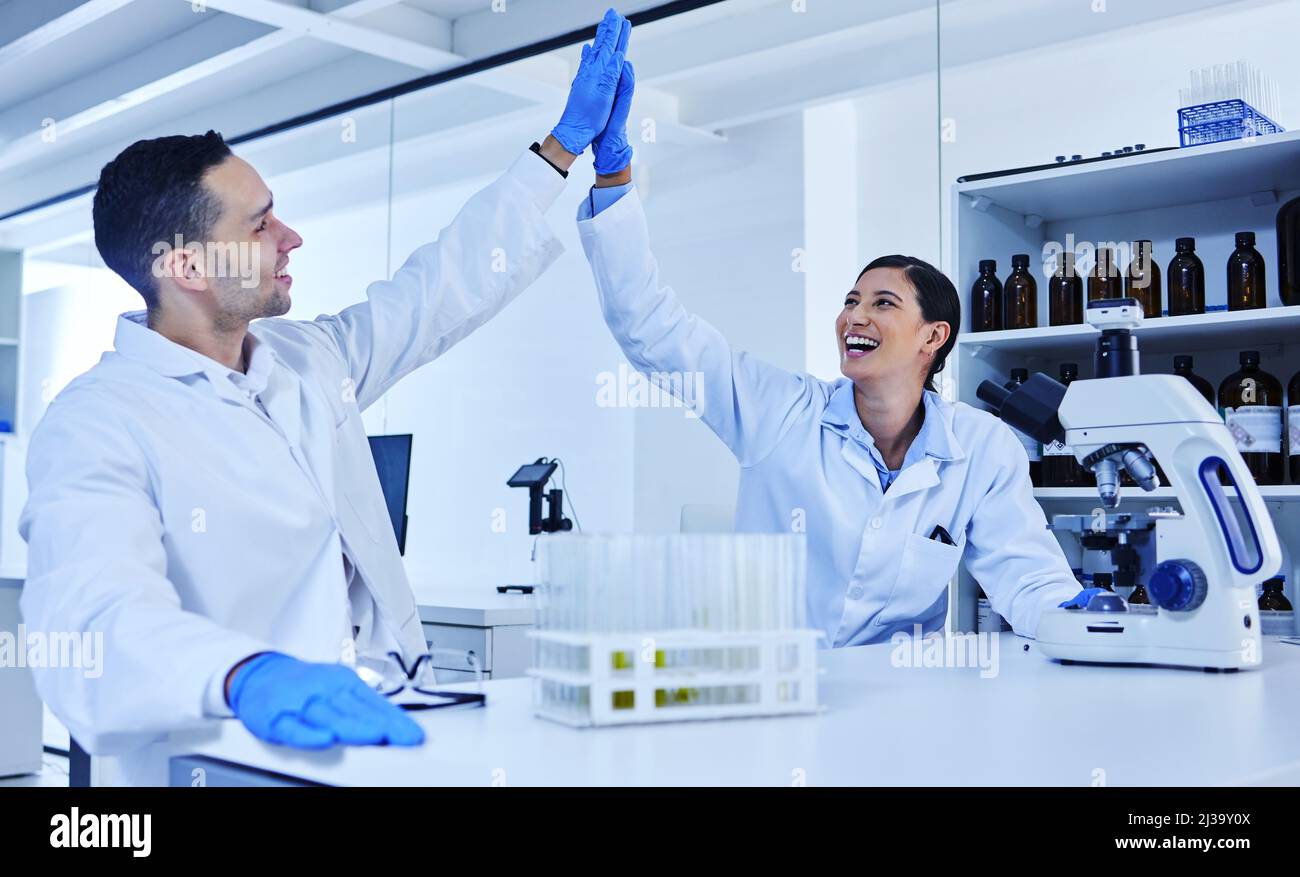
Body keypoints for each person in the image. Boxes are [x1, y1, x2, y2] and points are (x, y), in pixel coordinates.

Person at [19, 9, 633, 785]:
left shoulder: (308, 358)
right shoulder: (98, 422)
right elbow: (93, 625)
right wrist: (248, 673)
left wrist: (560, 150)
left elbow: (438, 290)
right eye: (261, 223)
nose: (291, 238)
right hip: (232, 767)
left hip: (381, 740)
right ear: (187, 268)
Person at [574, 60, 1094, 648]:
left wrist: (1086, 619)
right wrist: (615, 176)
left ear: (933, 337)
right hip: (774, 694)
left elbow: (1027, 580)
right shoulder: (780, 412)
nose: (855, 317)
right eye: (851, 301)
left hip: (897, 706)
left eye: (883, 303)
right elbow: (652, 331)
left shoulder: (980, 447)